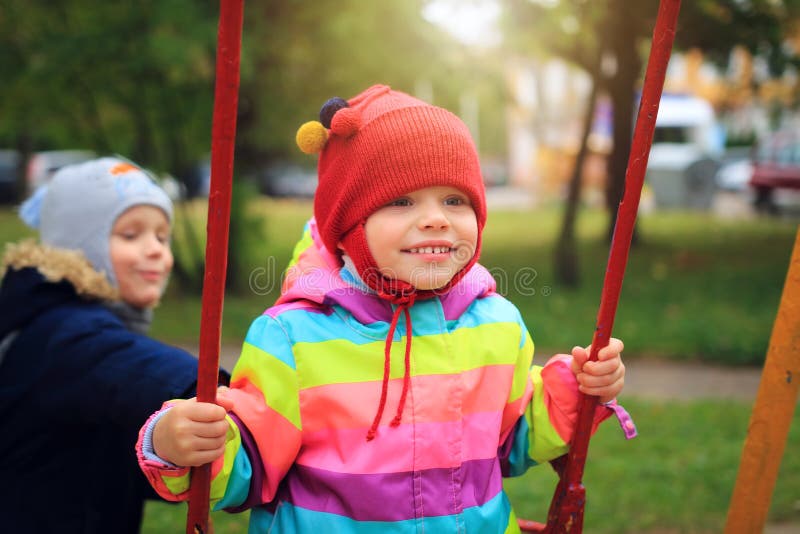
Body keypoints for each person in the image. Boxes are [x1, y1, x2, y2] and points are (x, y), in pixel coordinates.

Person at [137, 85, 635, 533]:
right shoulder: (295, 336)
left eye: (455, 201)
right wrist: (187, 446)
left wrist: (574, 391)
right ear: (348, 225)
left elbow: (511, 442)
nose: (436, 220)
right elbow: (249, 464)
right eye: (401, 202)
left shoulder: (496, 323)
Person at [0, 157, 227, 534]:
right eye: (131, 234)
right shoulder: (68, 336)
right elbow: (183, 383)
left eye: (161, 235)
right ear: (78, 248)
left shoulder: (47, 318)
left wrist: (165, 449)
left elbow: (110, 464)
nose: (156, 249)